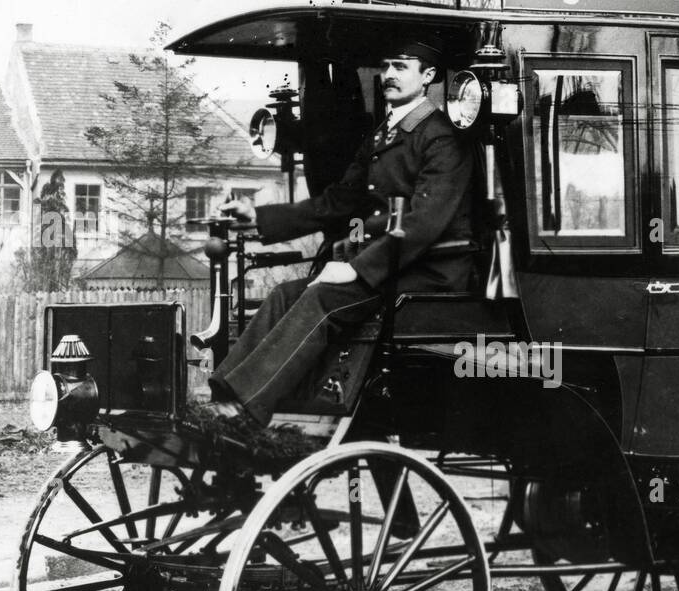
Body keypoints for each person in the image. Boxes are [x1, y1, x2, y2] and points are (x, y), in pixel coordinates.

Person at [203, 39, 475, 425]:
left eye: (401, 66)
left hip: (429, 272)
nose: (389, 75)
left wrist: (356, 269)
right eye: (386, 67)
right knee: (285, 294)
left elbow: (423, 223)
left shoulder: (440, 137)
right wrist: (259, 217)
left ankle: (244, 408)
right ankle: (223, 393)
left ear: (428, 76)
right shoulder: (384, 134)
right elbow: (339, 202)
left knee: (323, 298)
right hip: (389, 268)